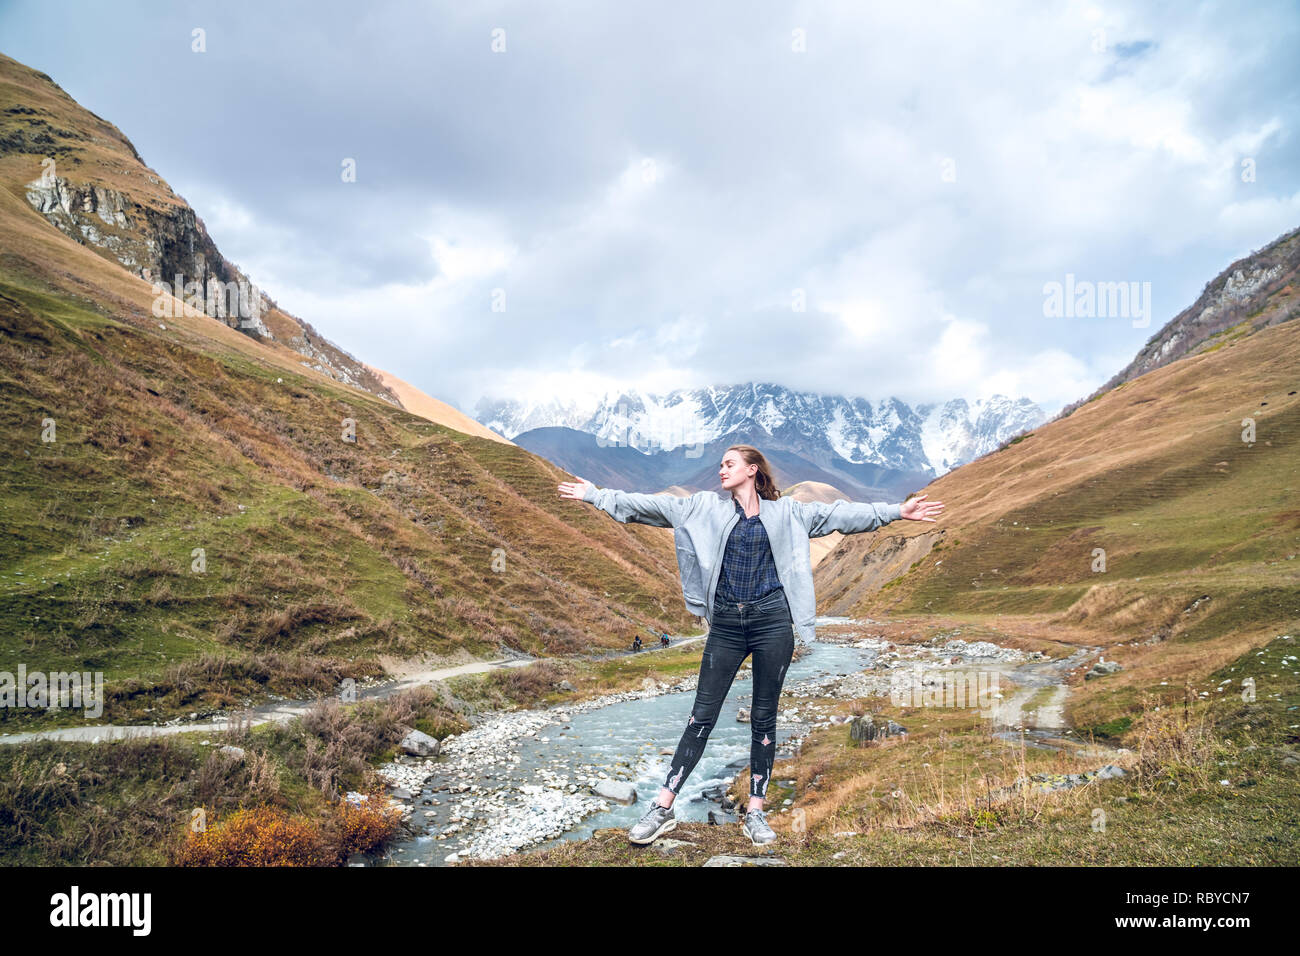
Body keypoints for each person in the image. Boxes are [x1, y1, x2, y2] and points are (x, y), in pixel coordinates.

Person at [558, 444, 943, 847]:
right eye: (721, 464)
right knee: (700, 717)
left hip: (773, 623)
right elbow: (644, 507)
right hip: (725, 624)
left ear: (751, 470)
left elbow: (842, 516)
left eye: (729, 464)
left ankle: (755, 813)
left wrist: (898, 511)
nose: (720, 470)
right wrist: (596, 496)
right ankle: (663, 807)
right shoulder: (702, 507)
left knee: (763, 719)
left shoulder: (789, 513)